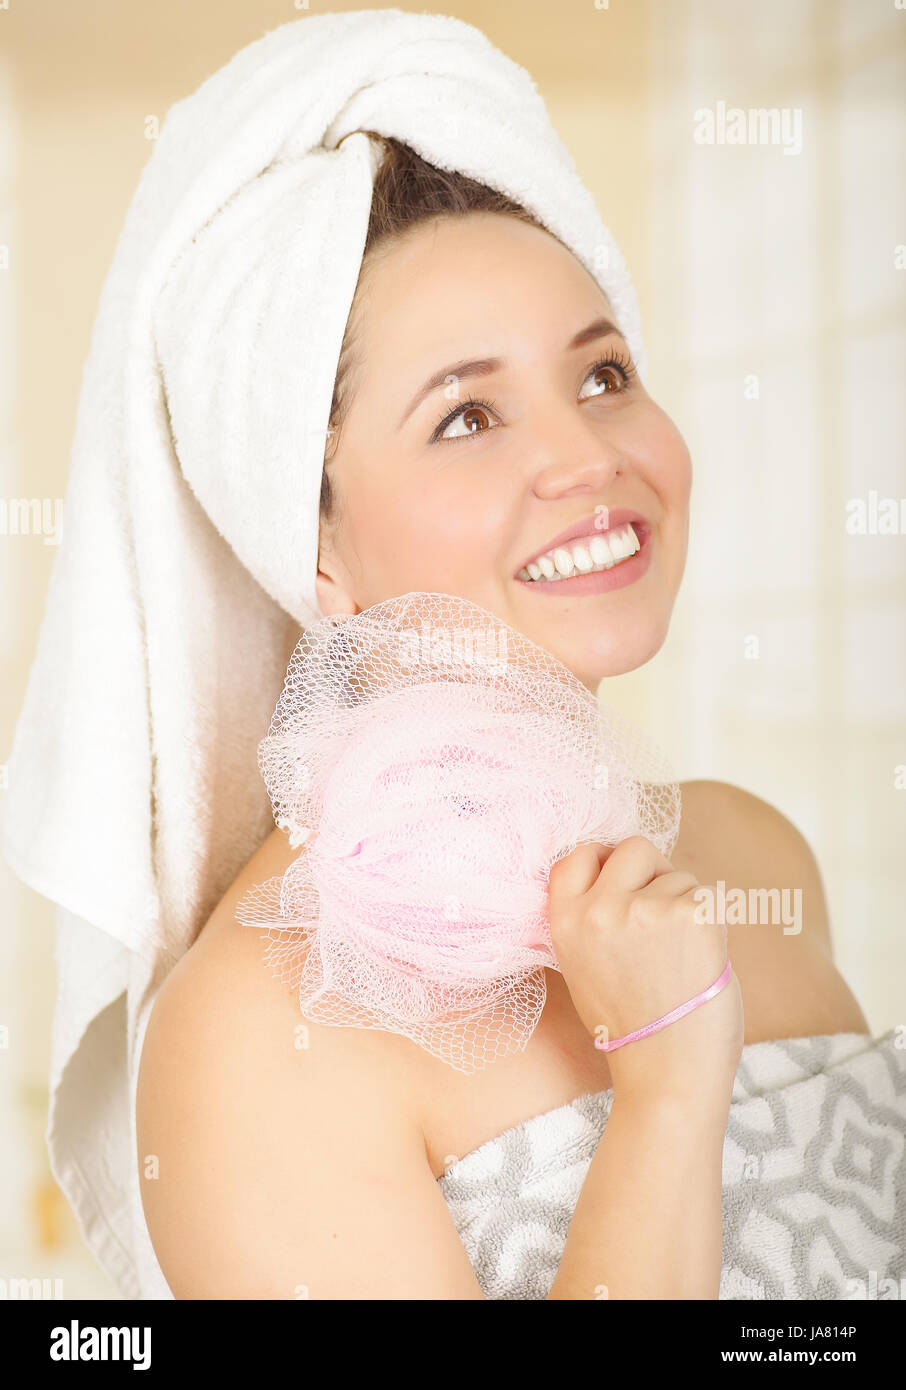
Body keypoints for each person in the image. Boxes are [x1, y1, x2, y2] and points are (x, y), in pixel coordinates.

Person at [136, 136, 869, 1301]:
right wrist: (669, 1089)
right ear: (313, 540)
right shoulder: (253, 1035)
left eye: (603, 375)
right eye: (470, 417)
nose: (587, 456)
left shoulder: (752, 851)